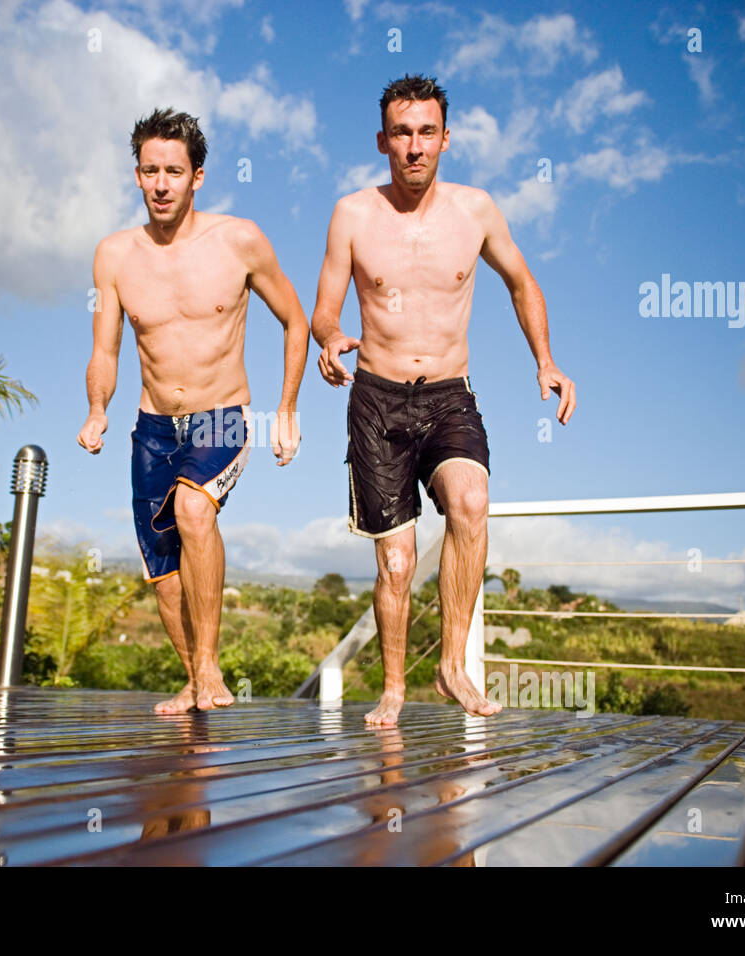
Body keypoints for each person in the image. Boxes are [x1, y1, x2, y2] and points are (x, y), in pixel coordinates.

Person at [311, 75, 576, 727]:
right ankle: (395, 688)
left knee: (471, 502)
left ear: (445, 138)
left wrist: (545, 360)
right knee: (397, 562)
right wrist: (330, 339)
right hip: (377, 401)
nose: (414, 146)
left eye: (426, 131)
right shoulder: (353, 214)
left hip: (449, 396)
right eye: (401, 132)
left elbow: (522, 281)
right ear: (383, 140)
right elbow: (324, 309)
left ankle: (452, 663)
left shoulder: (476, 211)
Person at [78, 108, 308, 713]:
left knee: (193, 512)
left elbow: (295, 319)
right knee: (163, 571)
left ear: (197, 177)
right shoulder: (114, 255)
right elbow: (105, 348)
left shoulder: (240, 240)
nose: (160, 184)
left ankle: (208, 669)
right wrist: (97, 409)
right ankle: (193, 676)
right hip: (152, 427)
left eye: (173, 172)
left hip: (221, 416)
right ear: (136, 176)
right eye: (150, 171)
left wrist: (287, 408)